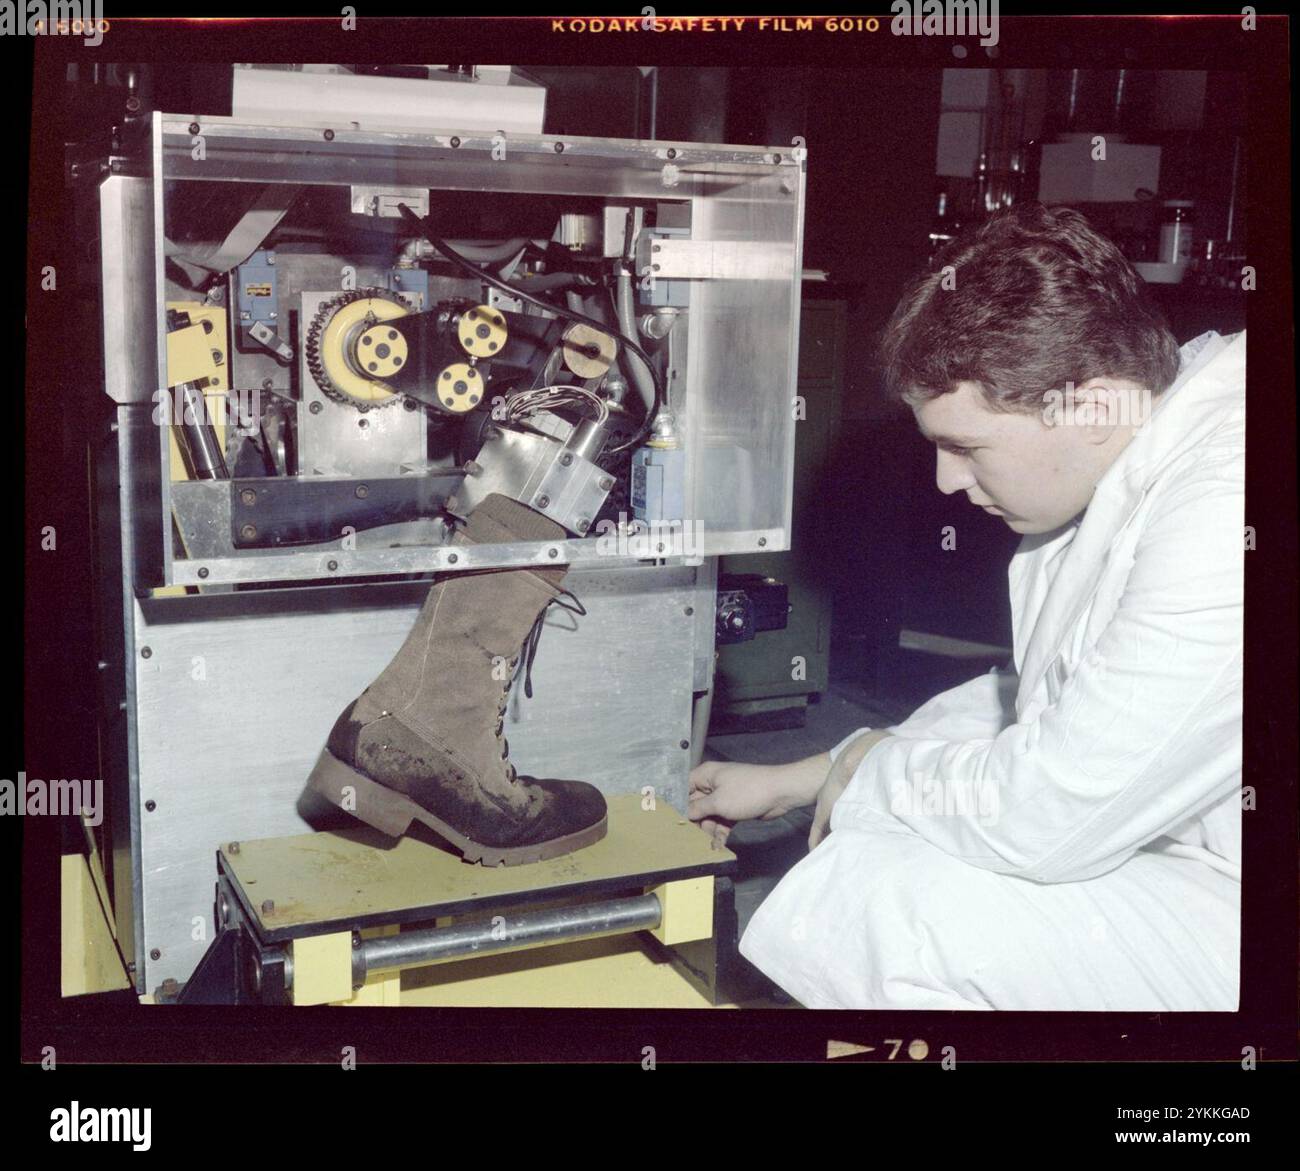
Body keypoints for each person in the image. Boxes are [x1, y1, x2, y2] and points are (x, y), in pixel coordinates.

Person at [689, 203, 1244, 1010]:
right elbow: (1033, 702)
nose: (947, 481)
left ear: (1089, 406)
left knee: (894, 906)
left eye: (967, 446)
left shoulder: (1227, 500)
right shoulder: (1141, 439)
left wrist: (870, 777)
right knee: (880, 844)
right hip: (1193, 848)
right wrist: (808, 776)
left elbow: (1053, 807)